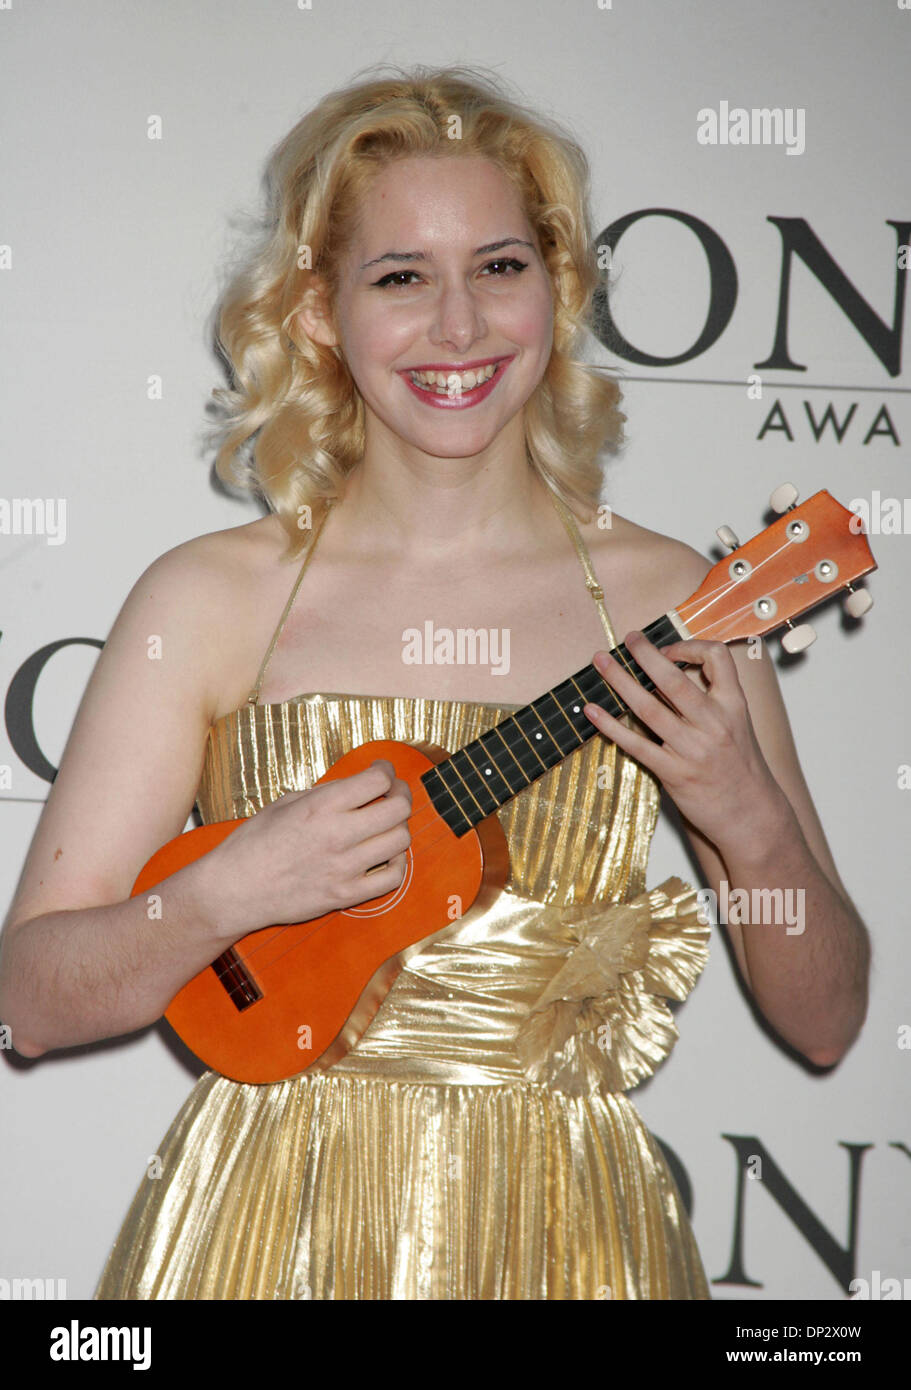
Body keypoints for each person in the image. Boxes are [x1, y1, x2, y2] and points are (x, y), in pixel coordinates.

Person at [0, 64, 870, 1300]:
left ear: (558, 290)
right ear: (316, 310)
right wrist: (219, 895)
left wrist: (752, 823)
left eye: (500, 268)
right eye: (400, 276)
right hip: (267, 1235)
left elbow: (827, 1019)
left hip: (569, 1236)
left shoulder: (667, 601)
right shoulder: (207, 599)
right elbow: (30, 1000)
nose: (456, 328)